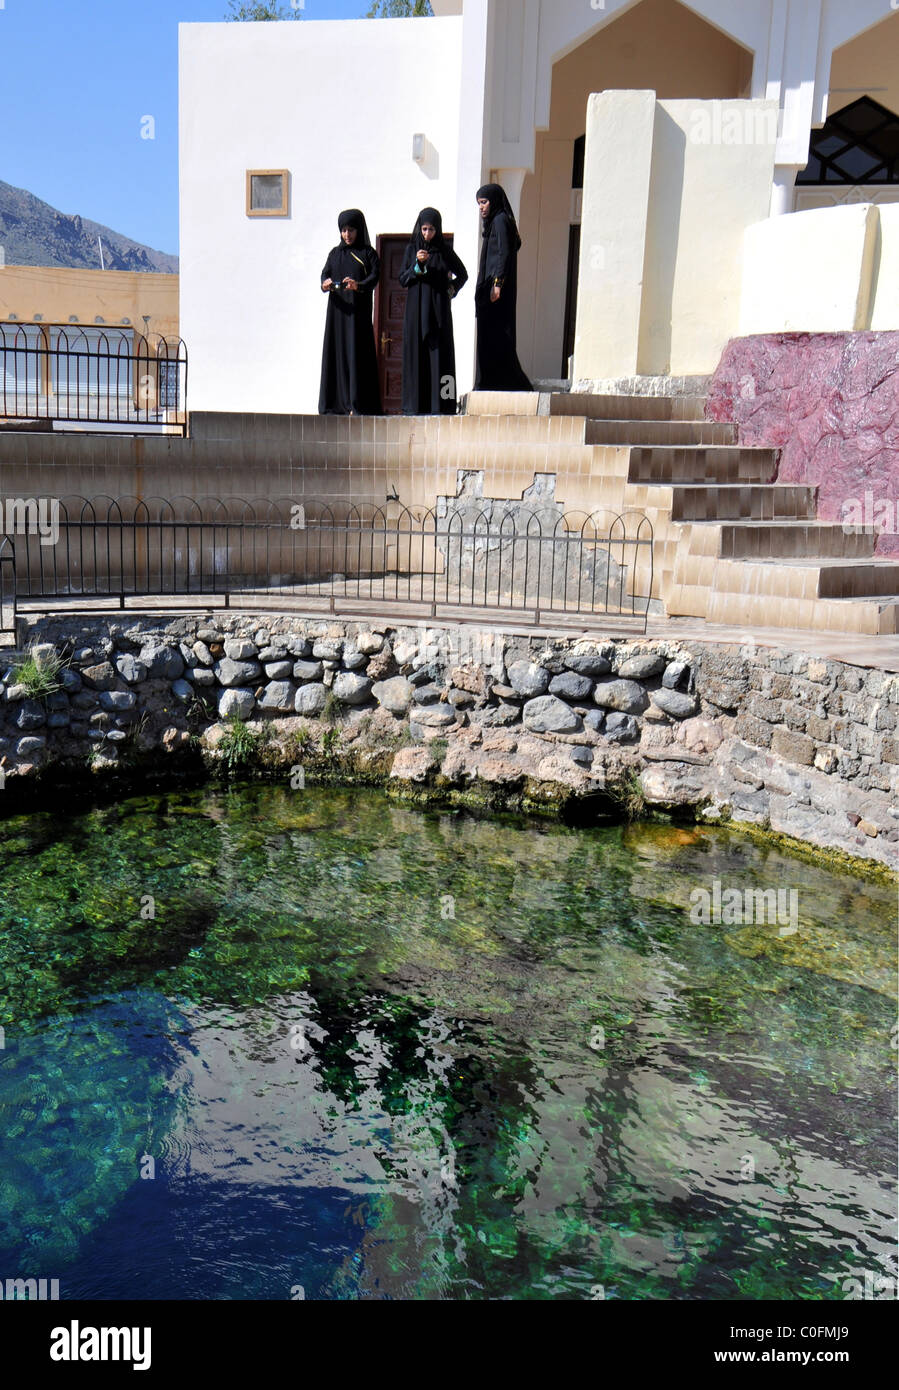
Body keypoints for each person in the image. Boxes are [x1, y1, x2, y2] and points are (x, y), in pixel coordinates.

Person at [398, 207, 468, 415]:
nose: (427, 234)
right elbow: (402, 279)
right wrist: (417, 265)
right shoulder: (412, 250)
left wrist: (451, 289)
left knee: (441, 356)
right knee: (416, 356)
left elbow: (462, 274)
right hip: (416, 313)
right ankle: (414, 406)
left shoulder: (444, 251)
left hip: (438, 313)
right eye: (424, 229)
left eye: (431, 229)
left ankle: (443, 405)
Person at [319, 209, 382, 415]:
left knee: (357, 355)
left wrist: (358, 285)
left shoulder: (367, 254)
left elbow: (374, 277)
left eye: (351, 230)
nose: (347, 235)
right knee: (336, 354)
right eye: (344, 230)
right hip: (338, 314)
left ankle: (358, 404)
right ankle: (336, 404)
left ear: (359, 230)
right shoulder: (334, 254)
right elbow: (325, 274)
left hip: (357, 316)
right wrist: (325, 283)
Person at [474, 183, 532, 392]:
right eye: (479, 203)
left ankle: (506, 382)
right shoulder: (494, 223)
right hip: (489, 289)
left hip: (495, 291)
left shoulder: (500, 221)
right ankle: (490, 382)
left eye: (484, 202)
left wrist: (497, 284)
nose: (481, 208)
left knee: (498, 336)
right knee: (490, 336)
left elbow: (505, 254)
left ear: (495, 201)